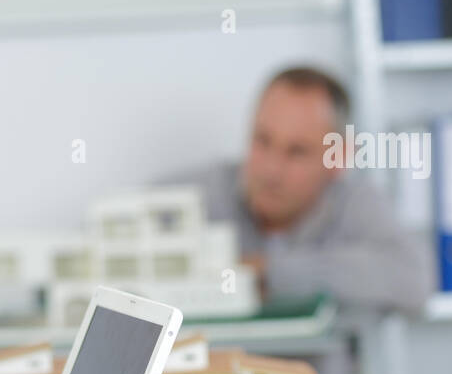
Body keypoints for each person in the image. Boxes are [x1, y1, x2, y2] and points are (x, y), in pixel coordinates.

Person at [185, 66, 434, 314]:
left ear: (338, 157)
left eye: (297, 152)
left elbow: (413, 281)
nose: (271, 171)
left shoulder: (355, 202)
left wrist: (270, 272)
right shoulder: (194, 197)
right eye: (263, 140)